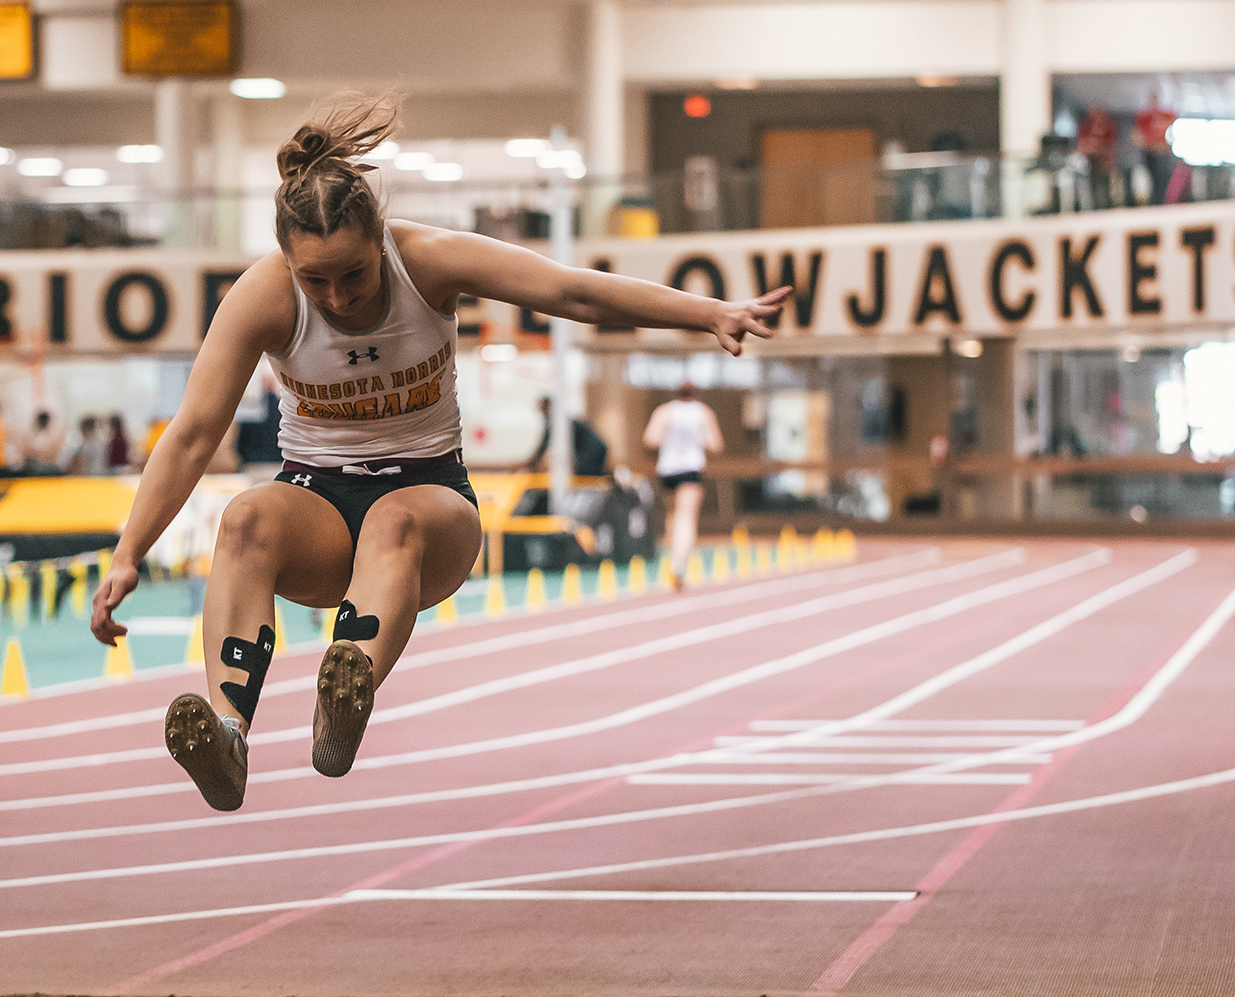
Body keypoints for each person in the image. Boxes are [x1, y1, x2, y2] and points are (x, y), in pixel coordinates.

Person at [89, 94, 785, 812]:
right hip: (317, 506)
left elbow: (572, 292)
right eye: (313, 279)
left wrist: (709, 314)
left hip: (431, 505)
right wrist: (127, 552)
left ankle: (345, 694)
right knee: (243, 520)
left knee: (394, 519)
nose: (335, 297)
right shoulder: (261, 296)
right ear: (287, 260)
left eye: (353, 274)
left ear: (379, 237)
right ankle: (229, 738)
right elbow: (194, 433)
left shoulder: (428, 261)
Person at [643, 383, 724, 591]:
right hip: (690, 469)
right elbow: (716, 444)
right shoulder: (703, 413)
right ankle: (679, 565)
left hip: (668, 470)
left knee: (672, 515)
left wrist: (669, 438)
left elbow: (650, 439)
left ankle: (674, 560)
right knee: (686, 517)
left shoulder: (665, 412)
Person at [524, 395, 609, 476]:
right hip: (593, 449)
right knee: (580, 470)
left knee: (582, 471)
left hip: (594, 449)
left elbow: (542, 448)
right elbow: (542, 446)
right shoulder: (554, 422)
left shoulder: (560, 422)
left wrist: (530, 464)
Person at [25, 409, 66, 474]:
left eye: (44, 421)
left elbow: (53, 453)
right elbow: (27, 453)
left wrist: (39, 455)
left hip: (50, 466)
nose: (43, 422)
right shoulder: (32, 436)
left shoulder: (54, 435)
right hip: (36, 466)